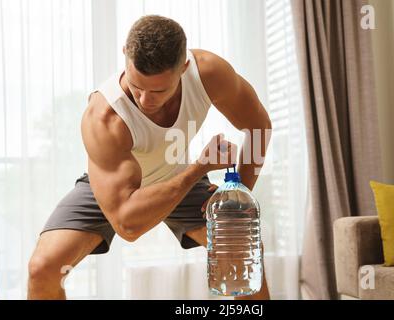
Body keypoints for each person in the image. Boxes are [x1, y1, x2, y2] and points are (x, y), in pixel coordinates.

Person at [27, 15, 271, 300]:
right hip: (114, 191)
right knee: (43, 268)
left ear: (184, 68)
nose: (144, 101)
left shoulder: (209, 73)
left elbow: (257, 127)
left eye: (158, 91)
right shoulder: (104, 117)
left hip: (177, 172)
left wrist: (238, 191)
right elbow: (128, 225)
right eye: (136, 86)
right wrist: (200, 168)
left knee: (242, 247)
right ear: (125, 56)